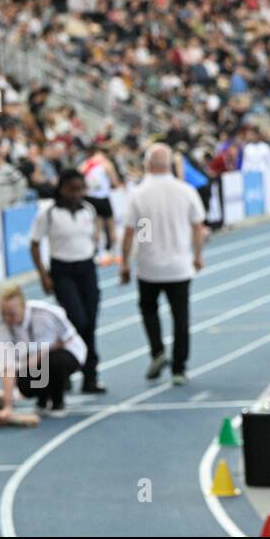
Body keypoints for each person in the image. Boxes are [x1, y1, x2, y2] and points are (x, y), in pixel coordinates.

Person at [121, 144, 207, 386]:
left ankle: (157, 351)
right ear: (170, 164)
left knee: (149, 311)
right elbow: (197, 227)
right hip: (179, 265)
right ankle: (179, 367)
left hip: (149, 265)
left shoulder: (138, 193)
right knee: (181, 317)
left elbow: (130, 232)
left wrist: (124, 263)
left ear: (147, 165)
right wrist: (198, 255)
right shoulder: (185, 190)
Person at [31, 170, 105, 395]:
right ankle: (65, 371)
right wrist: (44, 275)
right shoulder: (49, 213)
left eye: (79, 189)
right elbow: (34, 244)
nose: (75, 194)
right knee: (76, 320)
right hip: (62, 270)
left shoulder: (88, 210)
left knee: (90, 323)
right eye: (71, 189)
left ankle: (90, 377)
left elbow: (94, 236)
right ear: (61, 188)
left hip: (86, 268)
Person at [0, 283, 86, 417]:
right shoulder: (1, 328)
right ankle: (42, 398)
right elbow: (8, 367)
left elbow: (66, 339)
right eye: (3, 313)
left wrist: (41, 355)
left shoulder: (45, 313)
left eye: (11, 314)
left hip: (68, 352)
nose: (7, 318)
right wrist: (8, 406)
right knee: (23, 383)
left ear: (23, 307)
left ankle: (58, 402)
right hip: (34, 361)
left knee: (53, 362)